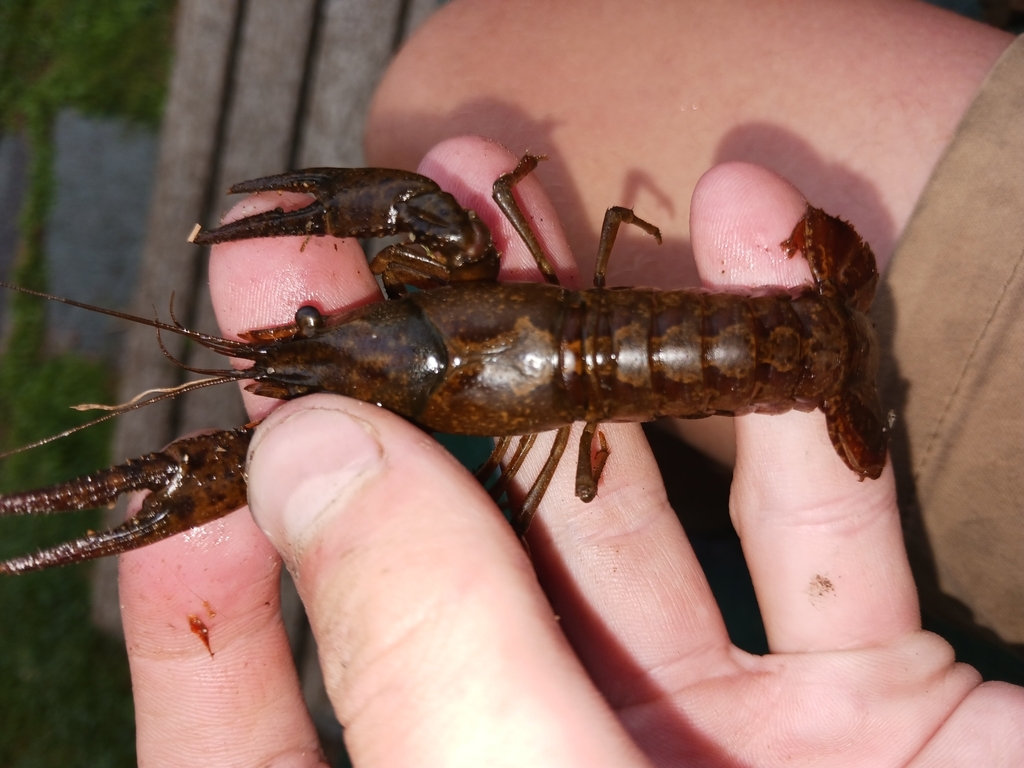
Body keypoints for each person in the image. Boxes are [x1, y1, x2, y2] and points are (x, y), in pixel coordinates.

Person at [117, 2, 1024, 765]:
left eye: (317, 328)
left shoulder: (409, 417)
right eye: (322, 332)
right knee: (440, 112)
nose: (318, 332)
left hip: (682, 371)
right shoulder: (445, 280)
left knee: (429, 107)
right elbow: (435, 215)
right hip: (693, 343)